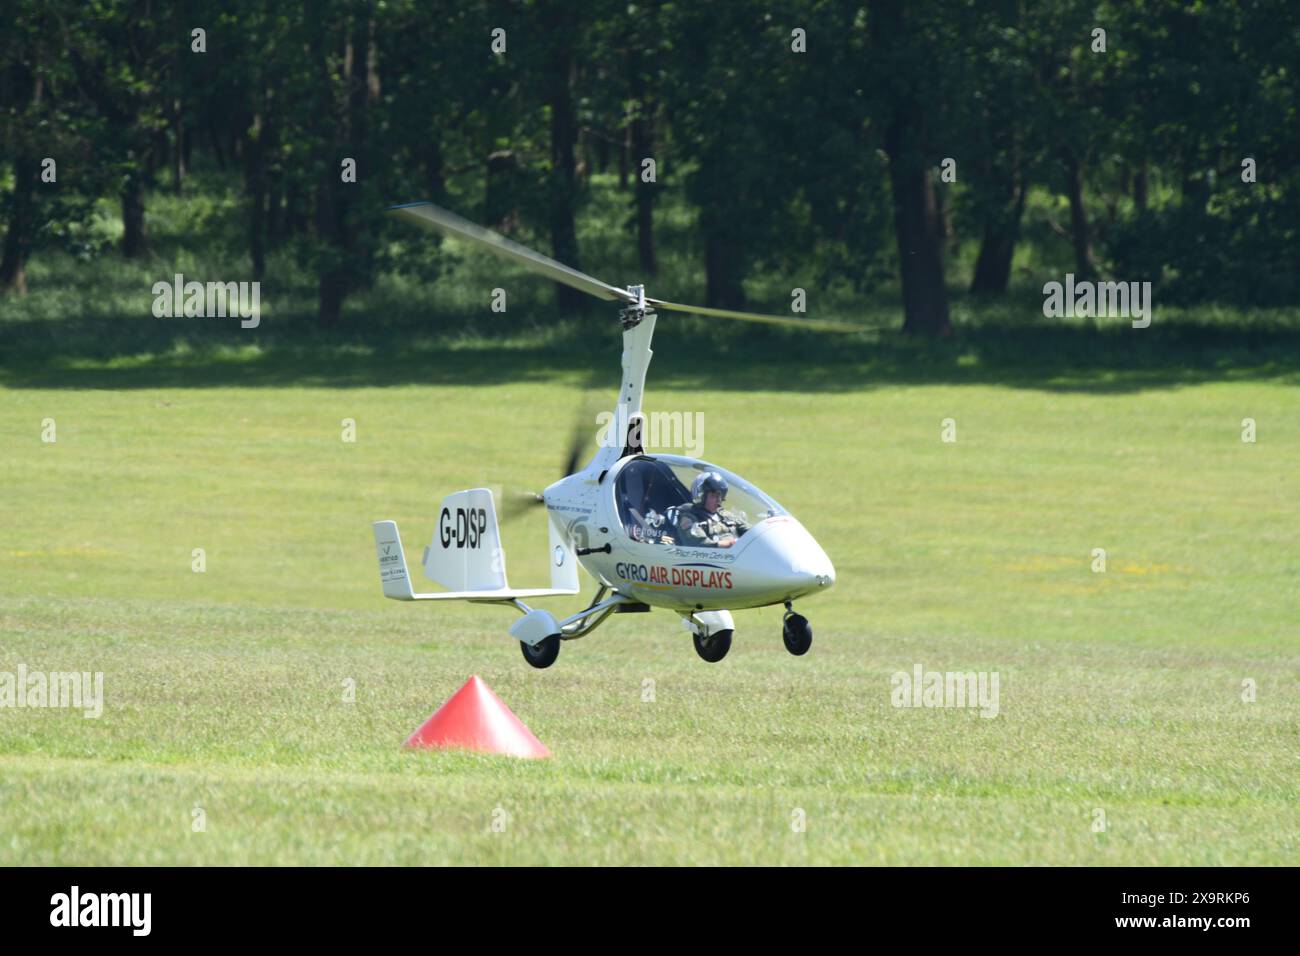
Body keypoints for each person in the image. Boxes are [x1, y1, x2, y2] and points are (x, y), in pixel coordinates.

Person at [673, 472, 749, 548]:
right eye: (714, 496)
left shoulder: (726, 515)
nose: (718, 500)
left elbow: (751, 533)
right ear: (701, 496)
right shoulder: (689, 519)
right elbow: (700, 545)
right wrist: (730, 544)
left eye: (720, 496)